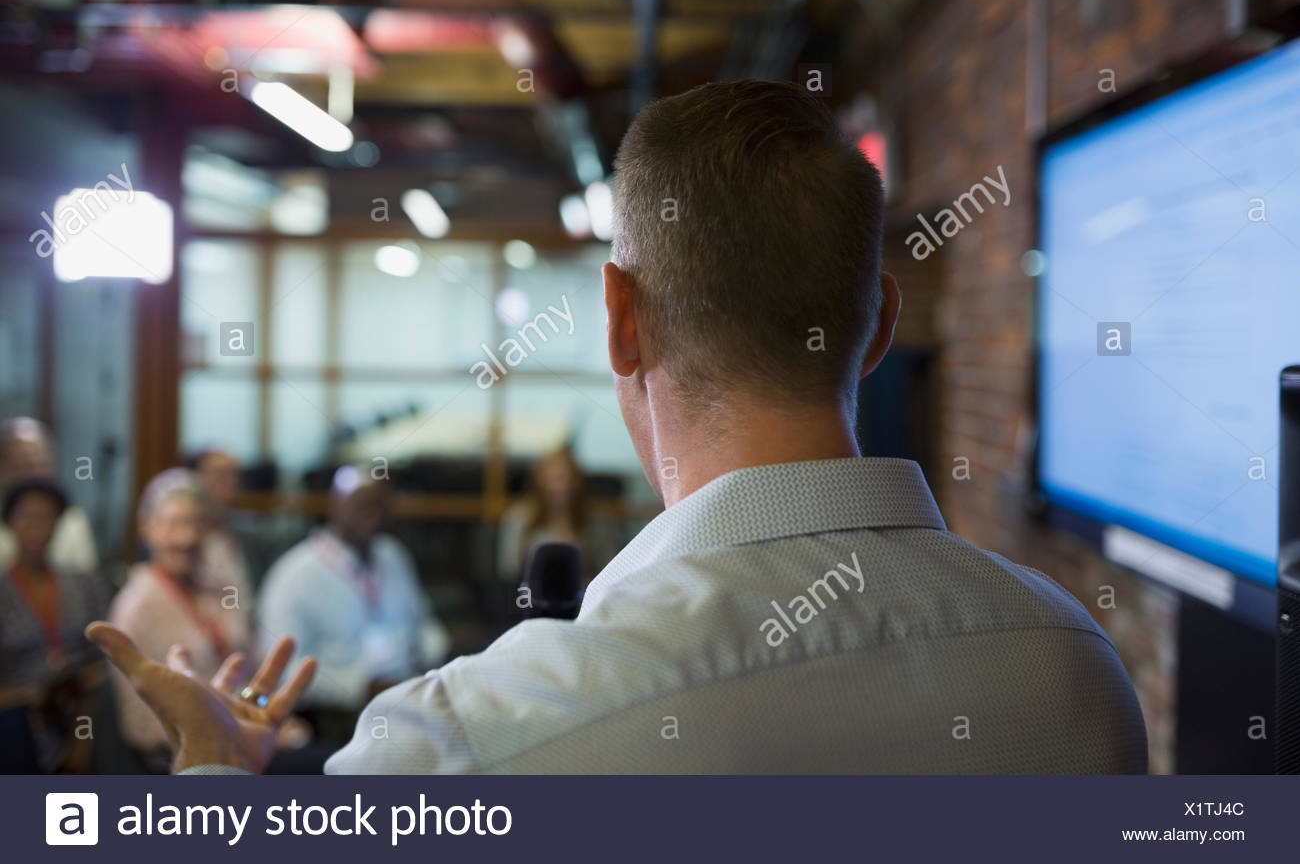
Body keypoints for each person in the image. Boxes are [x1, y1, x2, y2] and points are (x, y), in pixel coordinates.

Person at [87, 80, 1147, 774]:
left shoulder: (465, 739)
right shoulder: (1081, 671)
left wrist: (218, 787)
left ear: (619, 318)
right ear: (875, 331)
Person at [254, 466, 449, 736]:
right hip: (336, 716)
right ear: (335, 506)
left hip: (407, 696)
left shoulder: (393, 556)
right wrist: (361, 687)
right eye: (361, 505)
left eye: (380, 505)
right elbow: (283, 668)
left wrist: (431, 661)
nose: (373, 515)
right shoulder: (294, 576)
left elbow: (424, 623)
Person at [106, 469, 253, 769]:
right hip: (186, 761)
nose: (187, 537)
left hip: (243, 739)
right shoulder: (136, 607)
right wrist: (226, 734)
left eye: (196, 523)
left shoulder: (215, 589)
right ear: (147, 527)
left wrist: (262, 713)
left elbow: (251, 663)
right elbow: (142, 727)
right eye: (173, 524)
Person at [0, 478, 105, 772]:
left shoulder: (83, 583)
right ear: (8, 522)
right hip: (18, 719)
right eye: (26, 516)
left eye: (46, 516)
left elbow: (103, 653)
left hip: (80, 705)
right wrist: (25, 695)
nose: (37, 526)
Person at [496, 446, 608, 584]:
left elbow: (608, 568)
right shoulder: (519, 517)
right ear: (540, 481)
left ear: (579, 482)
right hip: (531, 597)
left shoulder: (594, 519)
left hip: (584, 597)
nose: (562, 486)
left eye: (569, 478)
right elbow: (510, 569)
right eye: (555, 479)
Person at [0, 418, 96, 573]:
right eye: (20, 463)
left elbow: (83, 576)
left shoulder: (72, 520)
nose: (30, 473)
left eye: (37, 463)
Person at [188, 448, 254, 620]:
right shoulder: (183, 543)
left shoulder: (247, 538)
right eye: (219, 476)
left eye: (233, 476)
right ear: (195, 480)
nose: (228, 484)